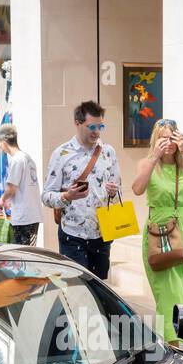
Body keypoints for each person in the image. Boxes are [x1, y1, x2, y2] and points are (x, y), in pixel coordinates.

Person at [130, 118, 183, 344]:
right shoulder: (147, 163)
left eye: (172, 137)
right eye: (163, 137)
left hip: (182, 228)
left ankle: (176, 341)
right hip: (159, 230)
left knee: (182, 291)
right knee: (168, 293)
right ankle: (173, 343)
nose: (168, 142)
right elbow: (137, 189)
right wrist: (155, 156)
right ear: (155, 140)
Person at [42, 100, 121, 279]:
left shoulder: (108, 152)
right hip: (72, 234)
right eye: (91, 126)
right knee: (76, 290)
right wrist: (66, 196)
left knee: (98, 290)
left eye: (101, 126)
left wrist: (113, 192)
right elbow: (46, 196)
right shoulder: (61, 154)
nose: (97, 131)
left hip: (102, 234)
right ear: (77, 124)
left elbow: (119, 192)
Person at [0, 124, 43, 247]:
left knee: (23, 255)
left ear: (4, 141)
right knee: (28, 253)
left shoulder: (17, 160)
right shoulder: (27, 158)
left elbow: (11, 189)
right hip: (31, 213)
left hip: (24, 216)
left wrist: (2, 200)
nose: (0, 147)